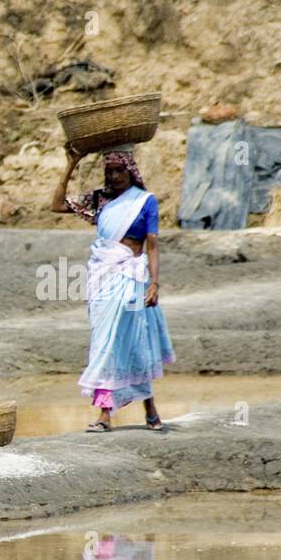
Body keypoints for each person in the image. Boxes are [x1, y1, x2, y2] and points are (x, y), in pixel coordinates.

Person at [50, 145, 174, 431]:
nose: (114, 176)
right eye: (109, 171)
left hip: (131, 278)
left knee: (132, 343)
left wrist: (154, 283)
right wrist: (72, 163)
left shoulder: (145, 202)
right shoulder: (100, 201)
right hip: (102, 279)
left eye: (120, 171)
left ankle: (148, 408)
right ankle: (106, 412)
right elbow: (56, 205)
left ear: (131, 172)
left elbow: (152, 246)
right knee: (103, 342)